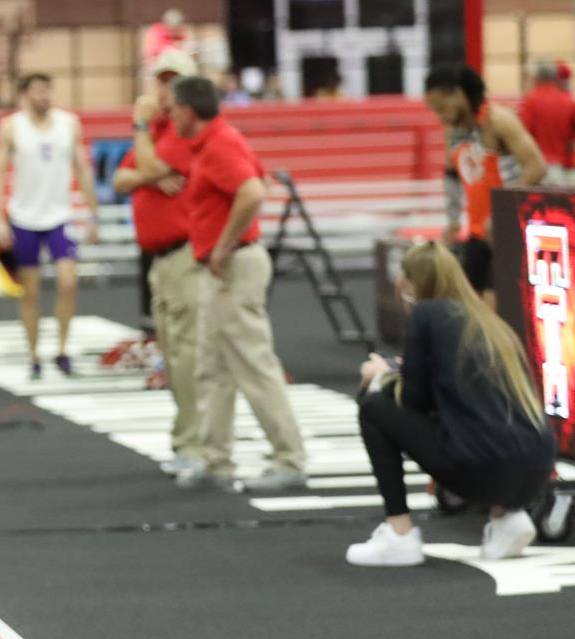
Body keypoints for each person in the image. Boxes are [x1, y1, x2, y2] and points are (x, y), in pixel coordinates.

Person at [347, 243, 555, 566]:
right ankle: (507, 518)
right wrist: (399, 368)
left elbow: (415, 400)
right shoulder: (488, 321)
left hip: (483, 468)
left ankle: (398, 533)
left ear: (412, 285)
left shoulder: (426, 314)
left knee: (373, 406)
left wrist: (382, 375)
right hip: (537, 470)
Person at [169, 75, 308, 493]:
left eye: (173, 108)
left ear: (188, 111)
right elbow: (256, 182)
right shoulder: (218, 140)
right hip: (223, 268)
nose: (170, 115)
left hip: (233, 267)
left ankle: (289, 458)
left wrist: (224, 245)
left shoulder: (218, 144)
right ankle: (215, 460)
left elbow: (250, 191)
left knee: (253, 364)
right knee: (211, 366)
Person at [113, 49, 203, 477]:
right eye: (160, 80)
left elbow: (144, 166)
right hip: (160, 259)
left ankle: (200, 447)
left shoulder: (186, 130)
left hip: (186, 255)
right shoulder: (160, 129)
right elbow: (123, 177)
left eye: (173, 81)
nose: (163, 90)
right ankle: (190, 443)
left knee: (189, 356)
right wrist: (150, 172)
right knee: (173, 354)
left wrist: (140, 129)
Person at [0, 72, 99, 378]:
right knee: (31, 292)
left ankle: (62, 350)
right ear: (25, 94)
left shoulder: (69, 124)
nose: (43, 96)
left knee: (67, 282)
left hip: (59, 216)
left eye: (47, 90)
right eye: (37, 91)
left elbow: (82, 167)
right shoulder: (13, 127)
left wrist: (93, 212)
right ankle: (34, 355)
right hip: (24, 217)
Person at [426, 65, 546, 311]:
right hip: (478, 232)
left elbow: (537, 166)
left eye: (442, 108)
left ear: (458, 94)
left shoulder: (498, 121)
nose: (440, 117)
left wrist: (503, 210)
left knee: (493, 309)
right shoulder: (452, 131)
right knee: (468, 307)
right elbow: (451, 176)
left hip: (510, 230)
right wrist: (452, 221)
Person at [518, 62, 574, 187]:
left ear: (536, 78)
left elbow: (522, 134)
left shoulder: (531, 101)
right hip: (565, 169)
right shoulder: (568, 101)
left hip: (539, 167)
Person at [142, 8, 192, 74]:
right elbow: (152, 51)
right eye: (173, 27)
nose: (175, 30)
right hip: (158, 65)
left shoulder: (180, 32)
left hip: (177, 67)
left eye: (177, 27)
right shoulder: (157, 31)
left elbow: (185, 46)